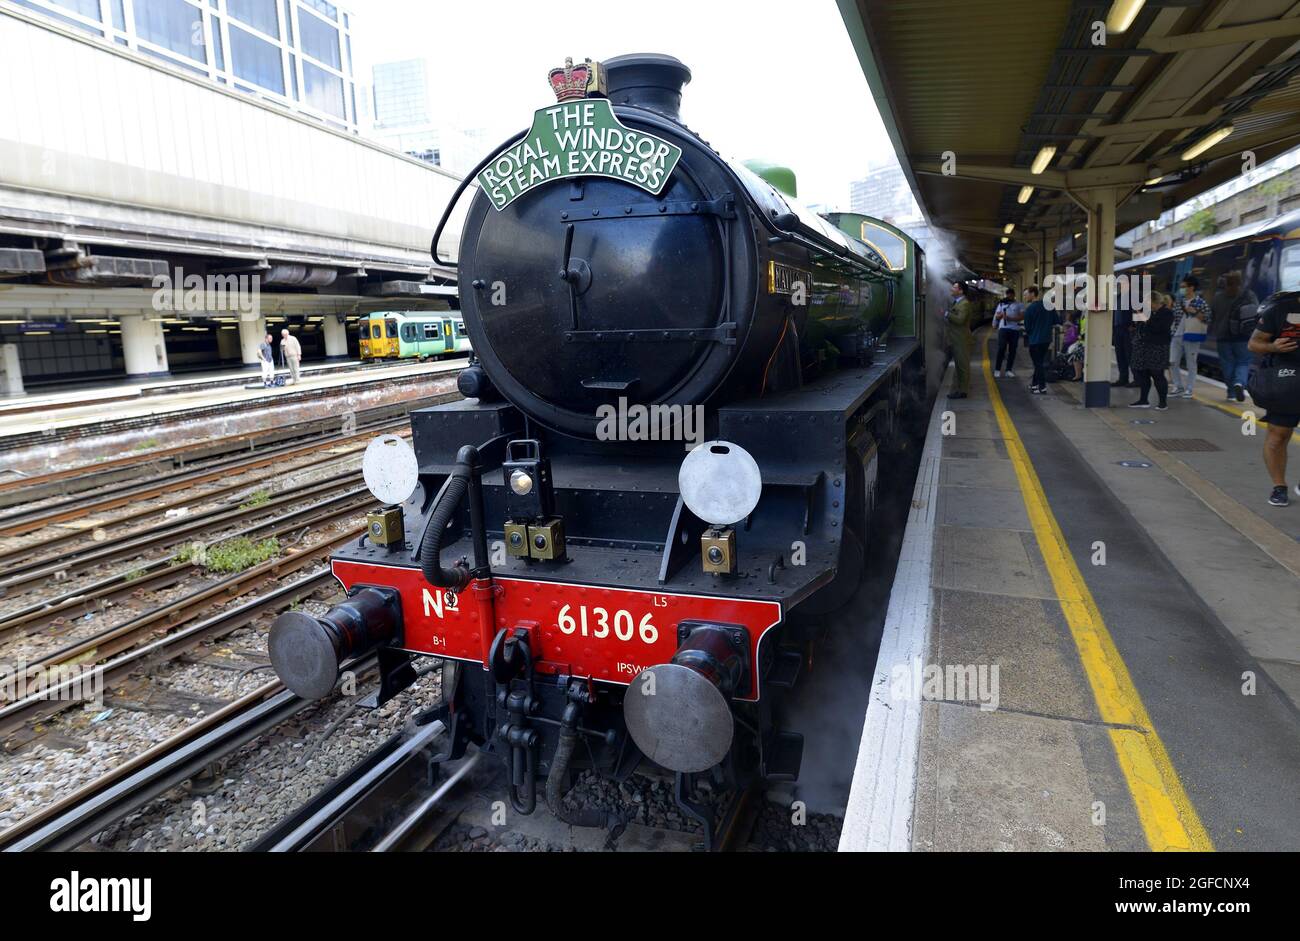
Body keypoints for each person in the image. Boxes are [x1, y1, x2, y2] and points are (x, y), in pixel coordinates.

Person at [1247, 291, 1300, 507]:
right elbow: (1254, 344)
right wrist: (1273, 347)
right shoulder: (1280, 309)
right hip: (1287, 381)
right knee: (1279, 436)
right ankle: (1279, 487)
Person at [1211, 271, 1258, 402]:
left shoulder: (1217, 297)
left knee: (1227, 364)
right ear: (1240, 282)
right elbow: (1257, 313)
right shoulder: (1249, 295)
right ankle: (1239, 383)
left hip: (1223, 337)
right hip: (1243, 336)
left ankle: (1231, 393)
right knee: (1243, 362)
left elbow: (1212, 316)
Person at [1129, 293, 1174, 410]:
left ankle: (1163, 403)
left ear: (1155, 302)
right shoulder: (1148, 313)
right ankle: (1143, 400)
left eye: (1148, 303)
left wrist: (1145, 319)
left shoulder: (1166, 313)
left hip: (1158, 347)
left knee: (1157, 374)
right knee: (1143, 373)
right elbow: (1137, 326)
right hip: (1143, 346)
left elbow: (1159, 328)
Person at [1169, 275, 1210, 398]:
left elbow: (1208, 318)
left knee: (1191, 363)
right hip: (1176, 335)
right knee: (1172, 362)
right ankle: (1178, 386)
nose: (1181, 289)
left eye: (1183, 287)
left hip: (1191, 335)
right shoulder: (1179, 302)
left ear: (1191, 287)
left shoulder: (1200, 302)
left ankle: (1189, 389)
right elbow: (1174, 318)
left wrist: (1196, 312)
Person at [1022, 285, 1057, 394]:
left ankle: (1042, 387)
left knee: (1038, 364)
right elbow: (1056, 320)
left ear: (1033, 294)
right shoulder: (1049, 306)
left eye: (1026, 294)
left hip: (1035, 341)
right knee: (1039, 362)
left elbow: (1027, 328)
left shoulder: (1029, 309)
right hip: (1046, 340)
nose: (1025, 297)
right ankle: (1034, 385)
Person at [945, 281, 976, 399]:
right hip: (957, 339)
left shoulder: (965, 304)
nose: (952, 289)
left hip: (961, 339)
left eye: (954, 287)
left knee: (962, 366)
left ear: (961, 291)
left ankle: (963, 391)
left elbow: (960, 320)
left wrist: (947, 314)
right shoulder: (958, 302)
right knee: (959, 366)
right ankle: (961, 389)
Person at [992, 287, 1024, 378]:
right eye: (1008, 295)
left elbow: (1022, 317)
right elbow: (997, 316)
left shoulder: (1019, 304)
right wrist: (1001, 315)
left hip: (1014, 330)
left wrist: (1010, 319)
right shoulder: (1001, 304)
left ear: (1014, 295)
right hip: (1003, 329)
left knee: (1012, 350)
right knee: (1001, 348)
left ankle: (1008, 370)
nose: (1009, 296)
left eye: (1011, 295)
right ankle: (997, 369)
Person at [1112, 289, 1135, 388]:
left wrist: (1133, 324)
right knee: (1120, 355)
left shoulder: (1133, 296)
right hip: (1117, 328)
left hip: (1127, 329)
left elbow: (1139, 310)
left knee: (1130, 355)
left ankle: (1137, 379)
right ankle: (1123, 378)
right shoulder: (1117, 296)